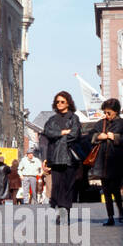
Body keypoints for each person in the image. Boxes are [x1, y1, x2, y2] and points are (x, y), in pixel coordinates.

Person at [91, 98, 123, 226]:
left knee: (115, 189)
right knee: (106, 190)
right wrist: (98, 137)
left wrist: (115, 137)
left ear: (116, 112)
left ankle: (121, 211)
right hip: (102, 162)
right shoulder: (101, 124)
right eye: (105, 112)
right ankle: (110, 216)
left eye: (108, 113)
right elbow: (90, 135)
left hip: (116, 162)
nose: (106, 115)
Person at [39, 91, 81, 219]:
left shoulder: (74, 118)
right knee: (57, 186)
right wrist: (62, 132)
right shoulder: (52, 120)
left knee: (67, 186)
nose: (59, 104)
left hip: (69, 157)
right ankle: (61, 210)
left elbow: (74, 134)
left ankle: (65, 212)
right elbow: (47, 133)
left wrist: (58, 136)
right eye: (57, 102)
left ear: (68, 103)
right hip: (55, 158)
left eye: (62, 101)